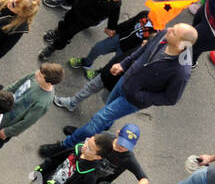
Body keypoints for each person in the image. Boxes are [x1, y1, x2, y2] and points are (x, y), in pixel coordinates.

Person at [46, 23, 197, 148]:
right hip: (124, 81)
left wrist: (139, 95)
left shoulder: (181, 71)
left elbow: (170, 98)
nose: (169, 29)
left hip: (132, 101)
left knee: (98, 119)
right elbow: (143, 50)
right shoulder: (163, 34)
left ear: (180, 44)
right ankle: (92, 134)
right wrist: (124, 64)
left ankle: (65, 145)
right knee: (105, 115)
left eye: (174, 32)